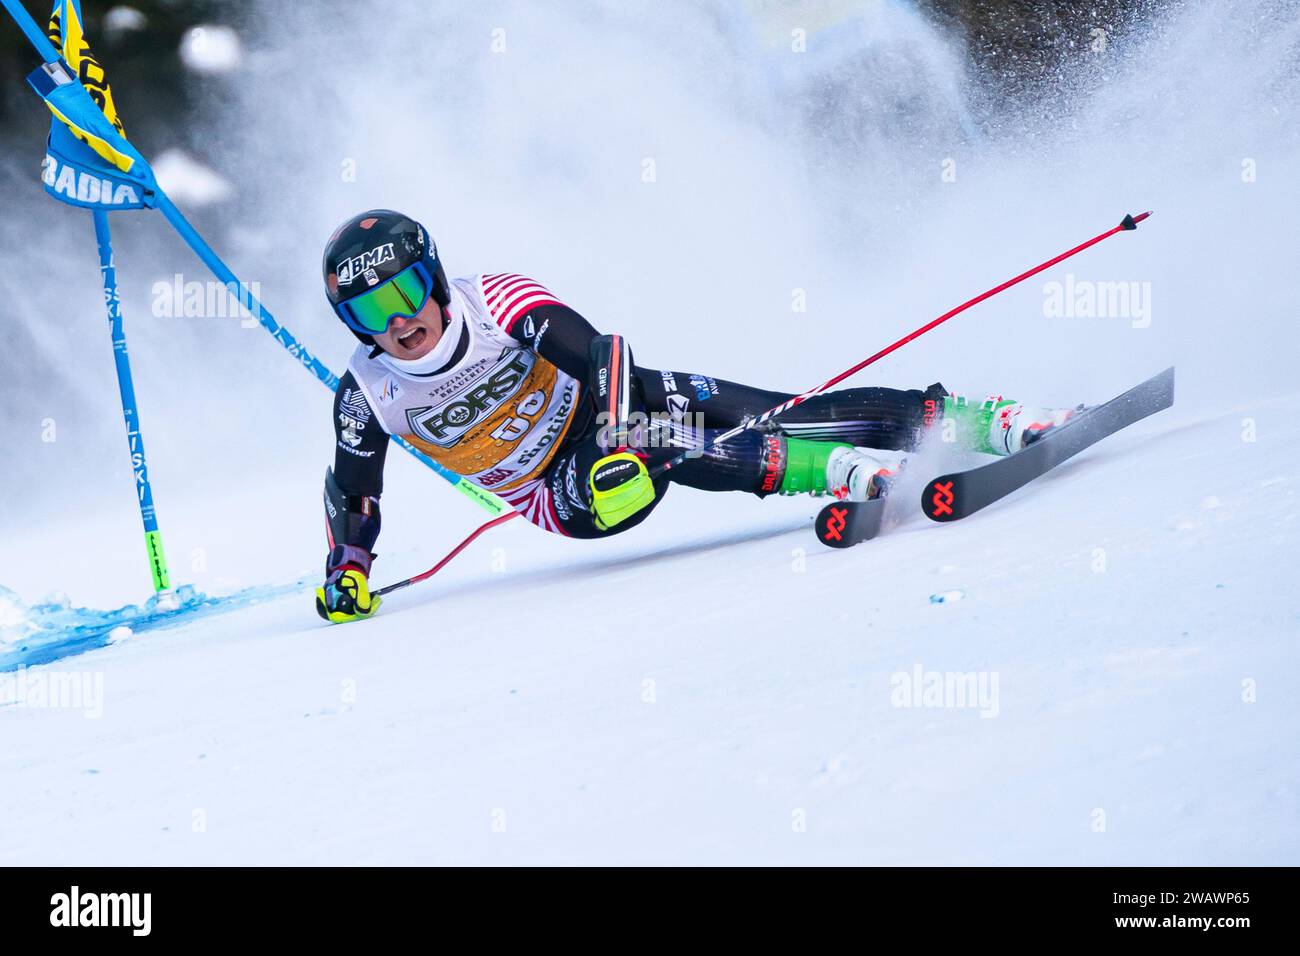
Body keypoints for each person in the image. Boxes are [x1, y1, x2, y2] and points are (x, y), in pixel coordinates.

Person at [315, 209, 1077, 623]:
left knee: (788, 411)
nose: (399, 320)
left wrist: (612, 429)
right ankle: (846, 474)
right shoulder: (366, 391)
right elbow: (355, 493)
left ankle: (980, 420)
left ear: (436, 279)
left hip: (611, 413)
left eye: (407, 292)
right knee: (654, 444)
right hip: (563, 490)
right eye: (372, 311)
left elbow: (604, 354)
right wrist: (348, 571)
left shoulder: (494, 302)